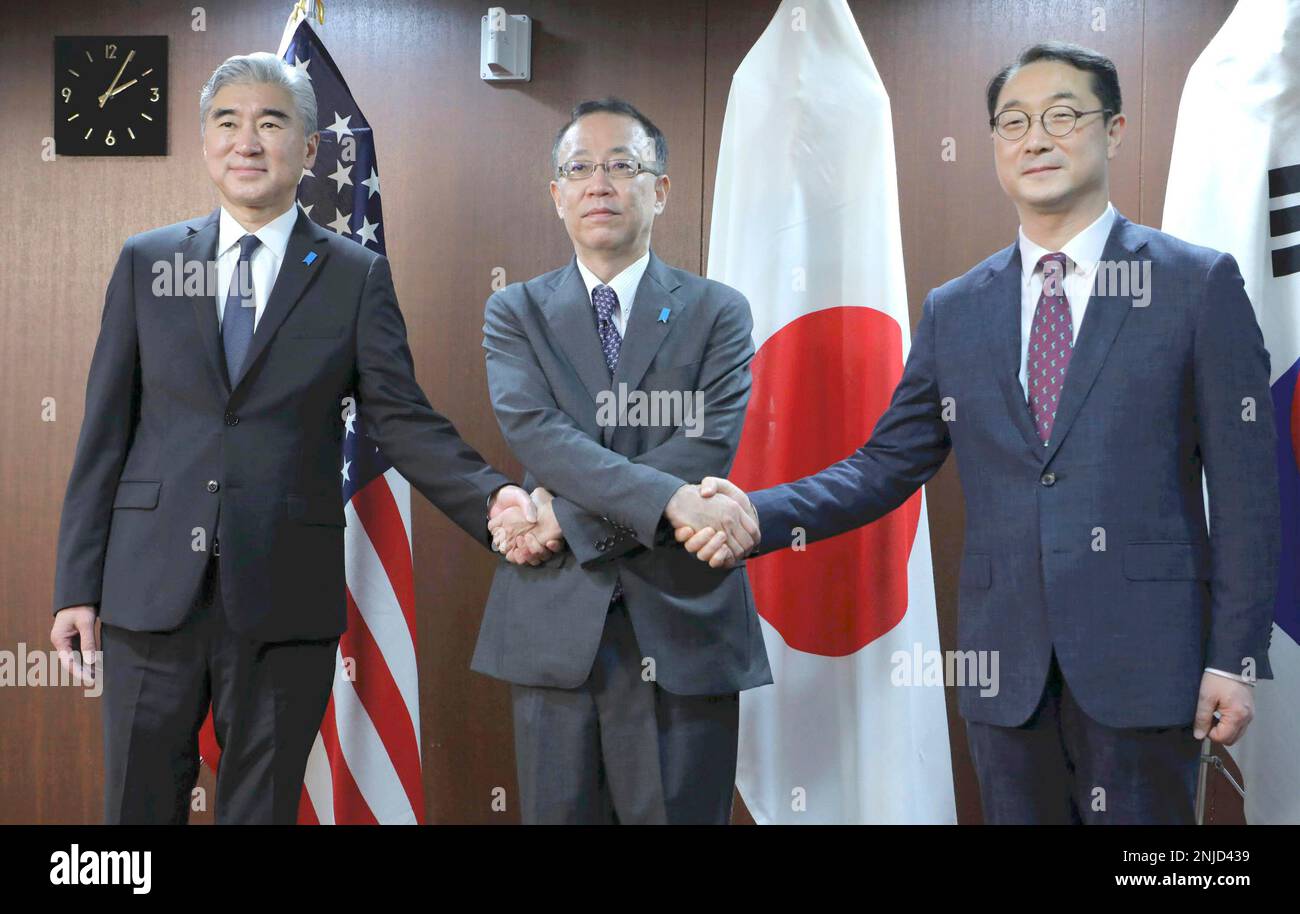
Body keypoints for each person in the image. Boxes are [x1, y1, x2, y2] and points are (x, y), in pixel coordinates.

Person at [677, 42, 1280, 824]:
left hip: (1151, 663)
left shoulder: (1197, 283)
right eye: (1013, 122)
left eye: (1062, 115)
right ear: (994, 144)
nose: (1036, 138)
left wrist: (1231, 657)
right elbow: (886, 464)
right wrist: (759, 513)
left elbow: (1247, 492)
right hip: (1007, 669)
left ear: (1114, 130)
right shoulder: (958, 308)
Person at [50, 52, 533, 824]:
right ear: (206, 142)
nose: (248, 141)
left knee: (261, 810)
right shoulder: (147, 261)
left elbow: (400, 418)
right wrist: (77, 584)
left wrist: (494, 497)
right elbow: (104, 431)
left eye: (270, 123)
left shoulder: (353, 276)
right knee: (135, 811)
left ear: (308, 149)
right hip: (146, 590)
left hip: (283, 594)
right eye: (227, 122)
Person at [476, 98, 767, 823]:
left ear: (660, 189)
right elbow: (537, 435)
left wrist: (563, 513)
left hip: (681, 619)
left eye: (621, 165)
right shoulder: (514, 311)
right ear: (557, 195)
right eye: (579, 168)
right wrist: (666, 500)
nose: (598, 184)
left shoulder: (717, 310)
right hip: (553, 622)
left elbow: (706, 443)